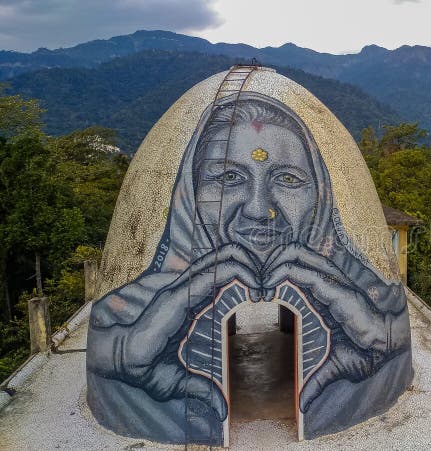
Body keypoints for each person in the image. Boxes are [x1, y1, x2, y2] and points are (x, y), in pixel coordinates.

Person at [86, 92, 413, 444]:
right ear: (189, 195)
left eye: (288, 179)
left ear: (321, 199)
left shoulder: (377, 314)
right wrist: (119, 354)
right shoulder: (120, 320)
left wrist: (386, 337)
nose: (259, 210)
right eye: (228, 178)